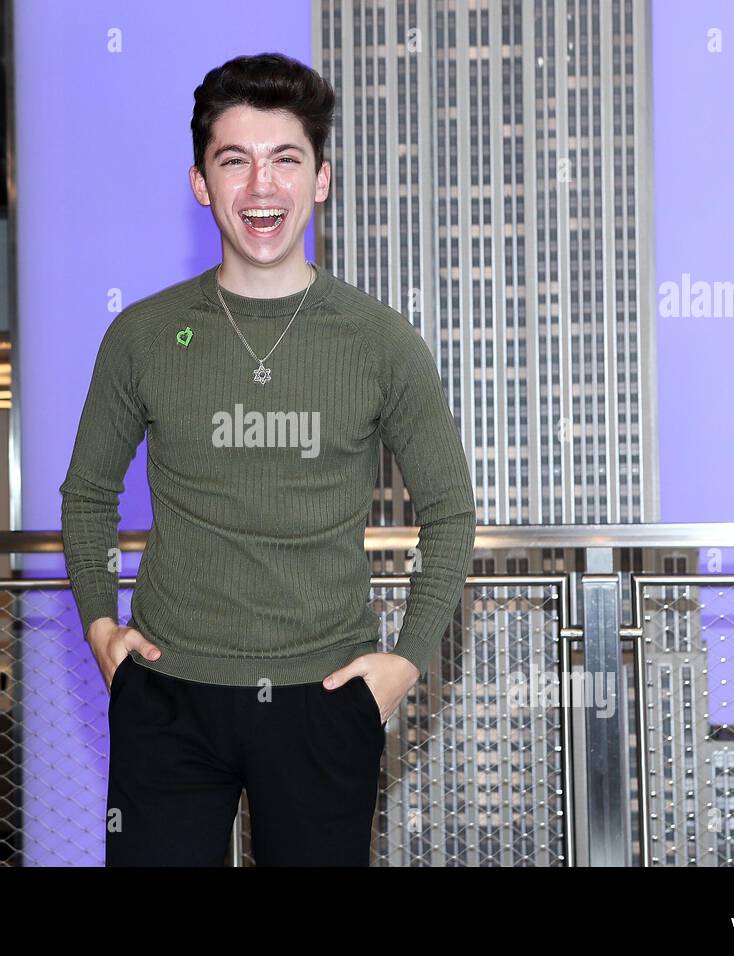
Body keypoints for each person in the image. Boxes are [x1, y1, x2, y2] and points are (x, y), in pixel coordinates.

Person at [59, 52, 476, 866]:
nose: (261, 187)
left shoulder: (379, 340)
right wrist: (101, 628)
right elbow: (87, 495)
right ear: (200, 183)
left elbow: (451, 513)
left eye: (286, 160)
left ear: (321, 179)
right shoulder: (143, 335)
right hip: (168, 696)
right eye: (235, 161)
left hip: (324, 700)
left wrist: (402, 663)